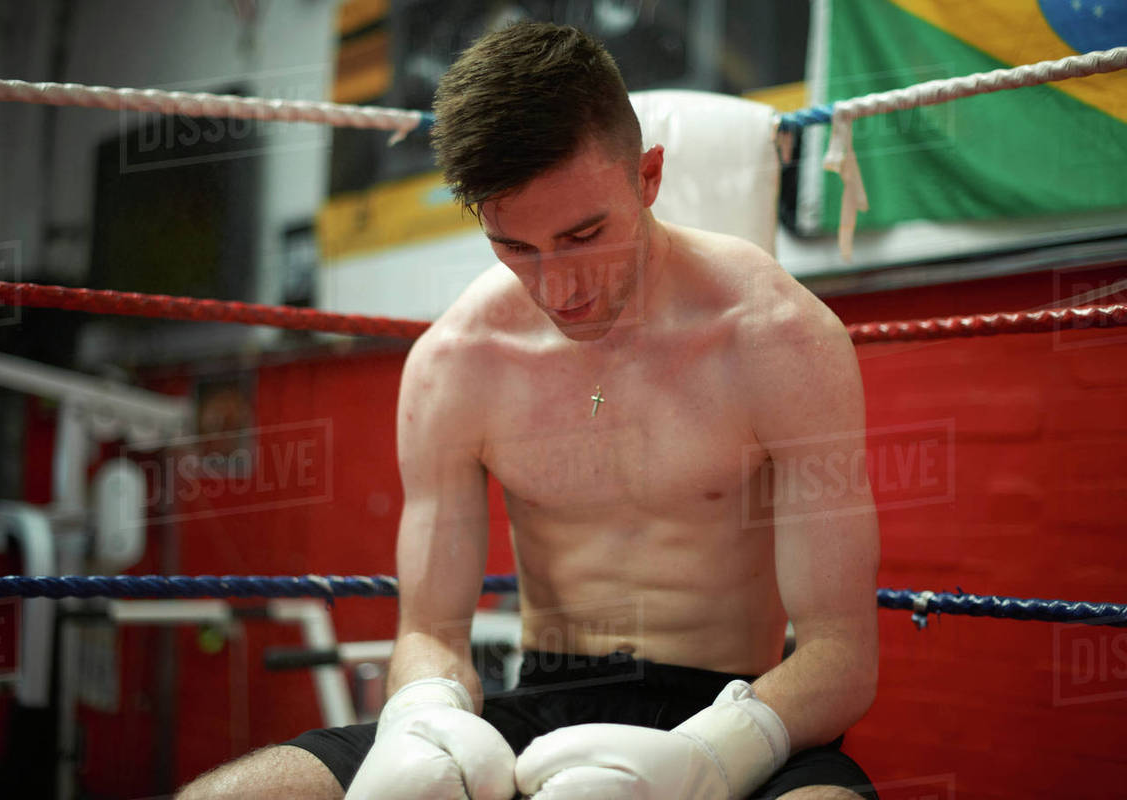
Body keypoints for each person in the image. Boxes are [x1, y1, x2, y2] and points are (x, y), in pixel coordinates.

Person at [179, 21, 880, 800]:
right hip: (543, 708)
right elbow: (431, 633)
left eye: (585, 236)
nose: (557, 289)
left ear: (647, 177)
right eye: (516, 248)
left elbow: (842, 656)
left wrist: (714, 756)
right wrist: (424, 712)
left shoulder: (779, 339)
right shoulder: (458, 362)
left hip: (740, 707)